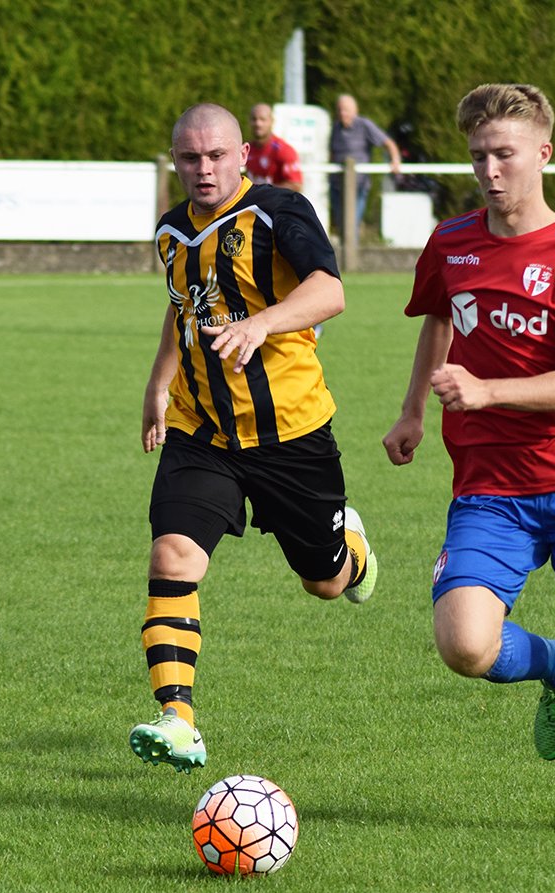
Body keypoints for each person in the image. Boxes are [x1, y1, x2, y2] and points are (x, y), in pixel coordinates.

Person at [382, 84, 555, 841]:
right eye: (477, 156)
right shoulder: (452, 242)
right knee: (464, 645)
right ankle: (551, 666)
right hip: (490, 488)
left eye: (504, 153)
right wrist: (412, 410)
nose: (489, 170)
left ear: (543, 152)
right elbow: (440, 315)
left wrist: (486, 389)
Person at [129, 102, 378, 774]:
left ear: (242, 154)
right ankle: (177, 720)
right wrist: (160, 382)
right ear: (175, 160)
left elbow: (330, 291)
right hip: (201, 430)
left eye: (215, 156)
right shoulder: (172, 230)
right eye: (189, 158)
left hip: (292, 433)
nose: (202, 169)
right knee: (173, 554)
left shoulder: (278, 212)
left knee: (324, 583)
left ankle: (352, 551)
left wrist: (263, 324)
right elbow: (183, 307)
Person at [329, 94, 401, 236]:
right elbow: (332, 152)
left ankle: (352, 257)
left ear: (355, 111)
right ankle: (344, 257)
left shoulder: (364, 125)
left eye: (346, 110)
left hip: (358, 186)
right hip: (337, 186)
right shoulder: (335, 127)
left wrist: (395, 159)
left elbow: (388, 143)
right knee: (341, 226)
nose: (343, 114)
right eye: (340, 110)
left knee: (352, 225)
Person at [246, 102, 304, 193]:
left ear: (271, 121)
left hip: (278, 204)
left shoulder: (284, 150)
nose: (258, 124)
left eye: (262, 119)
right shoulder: (247, 150)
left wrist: (264, 191)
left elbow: (296, 185)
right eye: (254, 119)